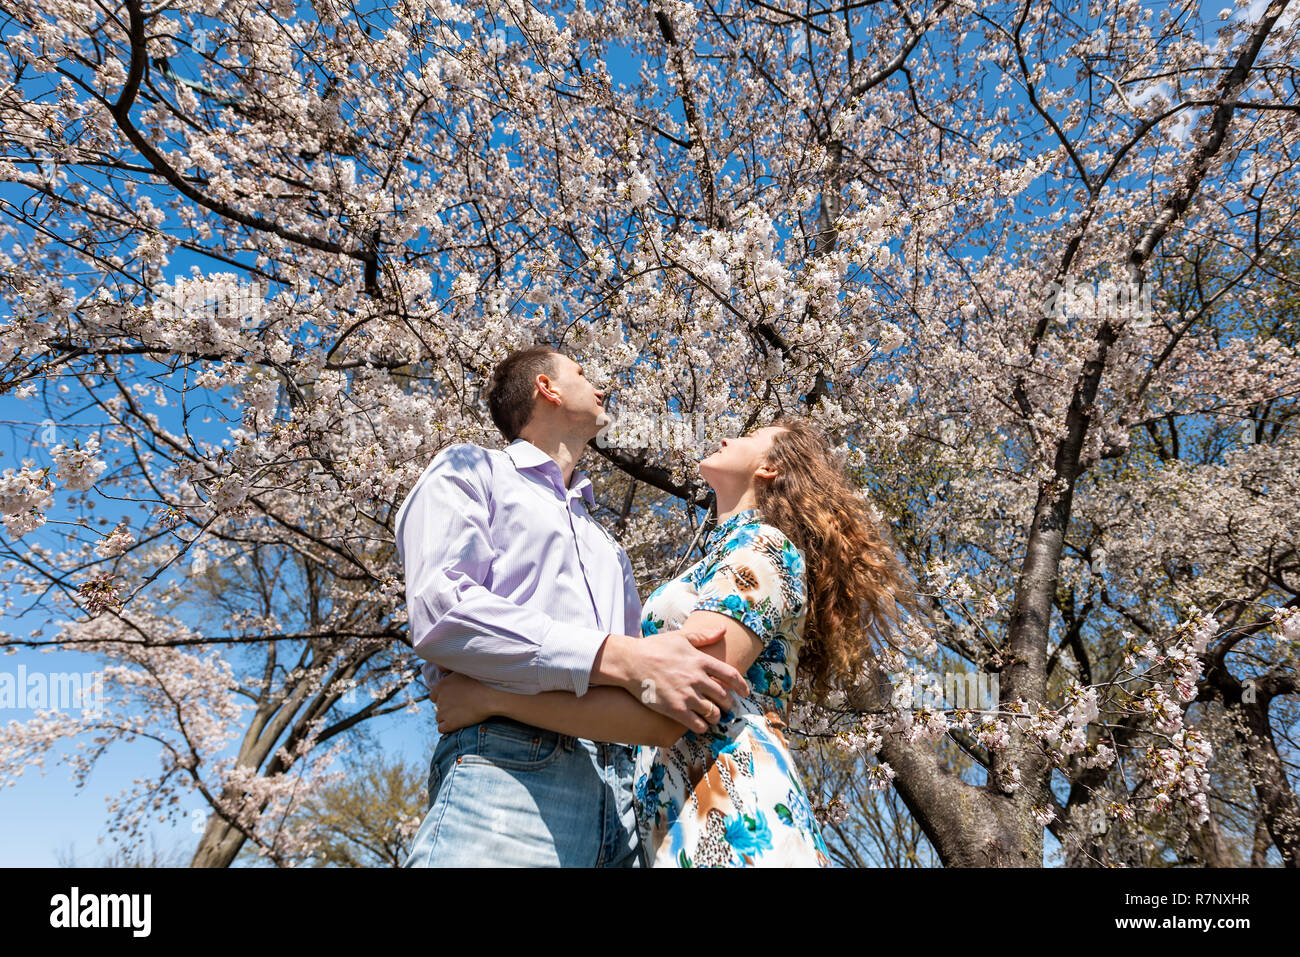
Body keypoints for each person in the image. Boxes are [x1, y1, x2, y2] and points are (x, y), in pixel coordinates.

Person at [432, 415, 917, 866]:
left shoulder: (765, 548)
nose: (729, 435)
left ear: (769, 468)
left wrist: (490, 697)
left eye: (750, 436)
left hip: (736, 814)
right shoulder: (721, 559)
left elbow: (666, 713)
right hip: (682, 820)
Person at [395, 345, 750, 867]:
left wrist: (640, 673)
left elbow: (645, 686)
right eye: (583, 373)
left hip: (625, 798)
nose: (601, 385)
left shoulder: (606, 546)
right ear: (548, 388)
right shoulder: (472, 471)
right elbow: (442, 611)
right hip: (510, 769)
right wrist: (622, 657)